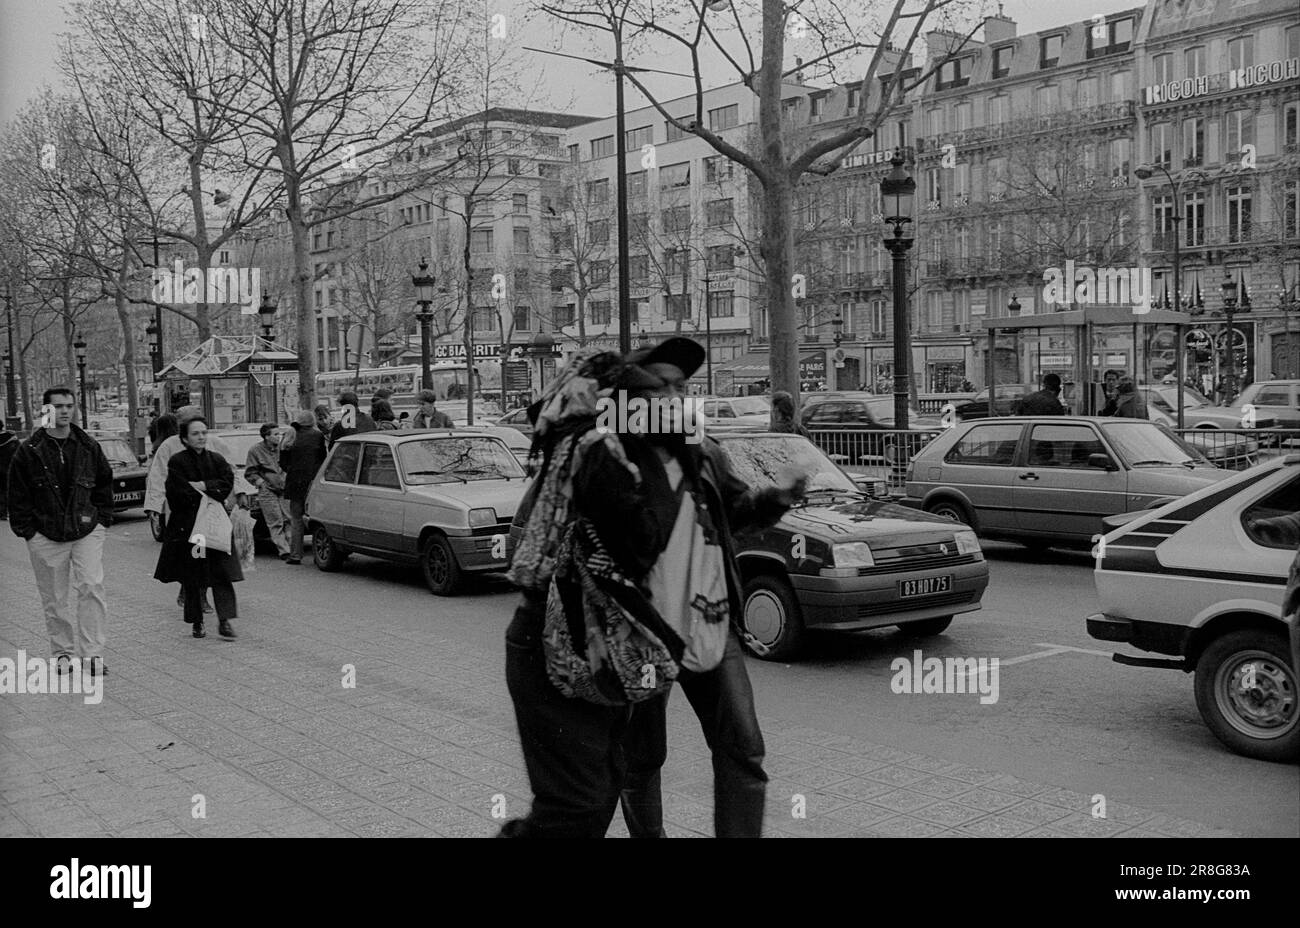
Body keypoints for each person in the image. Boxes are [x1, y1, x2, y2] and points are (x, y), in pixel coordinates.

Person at [500, 338, 802, 838]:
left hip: (708, 618)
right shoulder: (604, 452)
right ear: (629, 396)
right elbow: (544, 535)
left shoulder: (703, 454)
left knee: (742, 746)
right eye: (660, 384)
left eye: (681, 387)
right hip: (637, 630)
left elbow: (738, 514)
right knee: (637, 757)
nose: (673, 396)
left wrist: (776, 498)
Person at [7, 387, 114, 676]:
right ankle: (63, 653)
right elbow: (16, 494)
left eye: (69, 405)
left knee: (91, 587)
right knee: (54, 598)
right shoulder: (28, 450)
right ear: (46, 410)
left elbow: (105, 483)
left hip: (86, 529)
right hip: (45, 533)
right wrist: (28, 531)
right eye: (58, 406)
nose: (65, 411)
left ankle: (92, 654)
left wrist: (103, 520)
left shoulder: (88, 446)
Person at [154, 416, 241, 639]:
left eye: (204, 432)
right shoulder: (177, 462)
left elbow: (226, 484)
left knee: (222, 572)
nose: (201, 437)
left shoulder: (217, 460)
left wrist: (204, 486)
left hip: (216, 526)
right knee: (194, 574)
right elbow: (178, 493)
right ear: (184, 438)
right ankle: (197, 620)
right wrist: (208, 492)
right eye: (195, 433)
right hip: (192, 531)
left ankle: (225, 620)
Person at [281, 409, 327, 565]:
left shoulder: (289, 435)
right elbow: (323, 459)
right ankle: (318, 555)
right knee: (314, 517)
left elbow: (282, 462)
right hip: (312, 482)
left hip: (294, 482)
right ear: (312, 422)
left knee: (296, 519)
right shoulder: (318, 436)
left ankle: (295, 555)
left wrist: (292, 471)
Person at [245, 422, 292, 560]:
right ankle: (284, 550)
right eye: (275, 434)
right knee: (275, 521)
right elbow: (250, 472)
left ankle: (292, 547)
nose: (278, 437)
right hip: (268, 490)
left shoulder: (283, 448)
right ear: (266, 436)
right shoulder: (255, 450)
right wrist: (260, 483)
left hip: (284, 487)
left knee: (289, 519)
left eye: (279, 434)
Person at [0, 423, 19, 520]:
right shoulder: (12, 439)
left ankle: (2, 512)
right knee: (9, 490)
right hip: (9, 469)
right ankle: (8, 511)